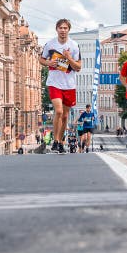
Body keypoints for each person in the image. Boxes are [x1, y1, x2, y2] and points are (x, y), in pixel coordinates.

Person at [39, 18, 81, 153]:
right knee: (58, 111)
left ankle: (61, 141)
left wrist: (68, 58)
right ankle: (55, 141)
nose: (63, 30)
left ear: (69, 30)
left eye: (65, 28)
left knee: (64, 116)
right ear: (56, 29)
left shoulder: (74, 45)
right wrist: (48, 64)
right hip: (54, 83)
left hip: (69, 84)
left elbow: (78, 67)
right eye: (60, 28)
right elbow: (41, 59)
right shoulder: (50, 44)